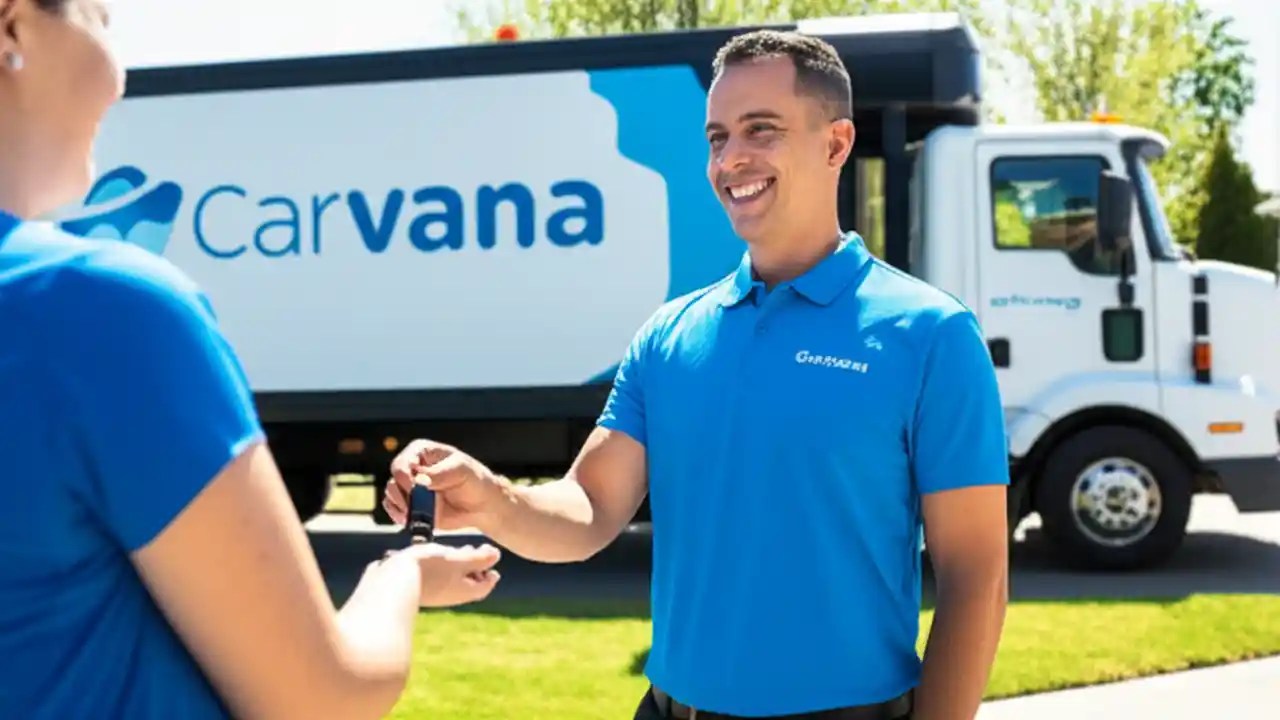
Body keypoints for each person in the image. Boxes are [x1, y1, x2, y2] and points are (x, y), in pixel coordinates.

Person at [386, 29, 1009, 720]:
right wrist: (492, 500)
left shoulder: (931, 336)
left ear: (835, 144)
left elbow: (975, 573)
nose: (731, 159)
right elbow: (589, 510)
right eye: (717, 137)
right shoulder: (668, 336)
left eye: (760, 130)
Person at [0, 2, 502, 719]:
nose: (118, 76)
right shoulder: (97, 311)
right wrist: (404, 575)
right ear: (14, 27)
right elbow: (323, 699)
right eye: (100, 20)